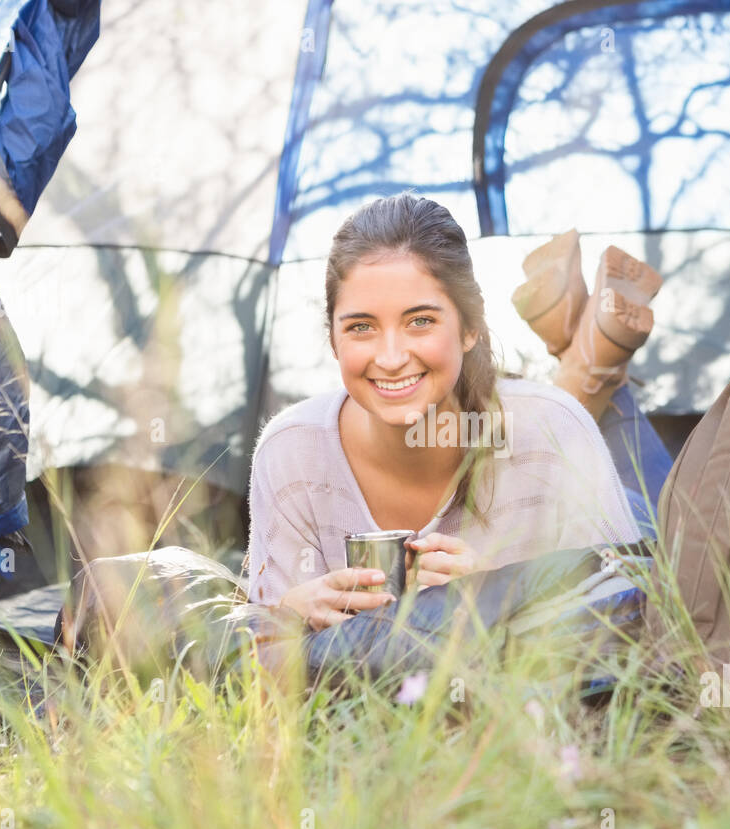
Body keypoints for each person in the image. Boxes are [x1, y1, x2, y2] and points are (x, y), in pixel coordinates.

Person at [246, 192, 673, 631]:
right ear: (333, 338)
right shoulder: (291, 452)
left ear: (470, 328)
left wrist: (499, 593)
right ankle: (592, 359)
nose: (391, 358)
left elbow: (627, 611)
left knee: (680, 537)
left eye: (420, 321)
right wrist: (291, 610)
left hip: (612, 499)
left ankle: (594, 368)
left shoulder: (554, 426)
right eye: (361, 327)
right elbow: (256, 652)